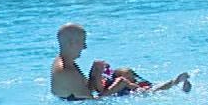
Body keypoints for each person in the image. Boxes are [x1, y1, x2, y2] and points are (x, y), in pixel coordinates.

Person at [50, 23, 189, 100]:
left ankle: (168, 84)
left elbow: (85, 89)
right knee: (133, 86)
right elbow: (93, 104)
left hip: (86, 95)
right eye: (82, 43)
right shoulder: (66, 72)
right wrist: (117, 86)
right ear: (71, 43)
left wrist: (94, 74)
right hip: (80, 104)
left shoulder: (64, 60)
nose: (85, 47)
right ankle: (171, 84)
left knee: (124, 72)